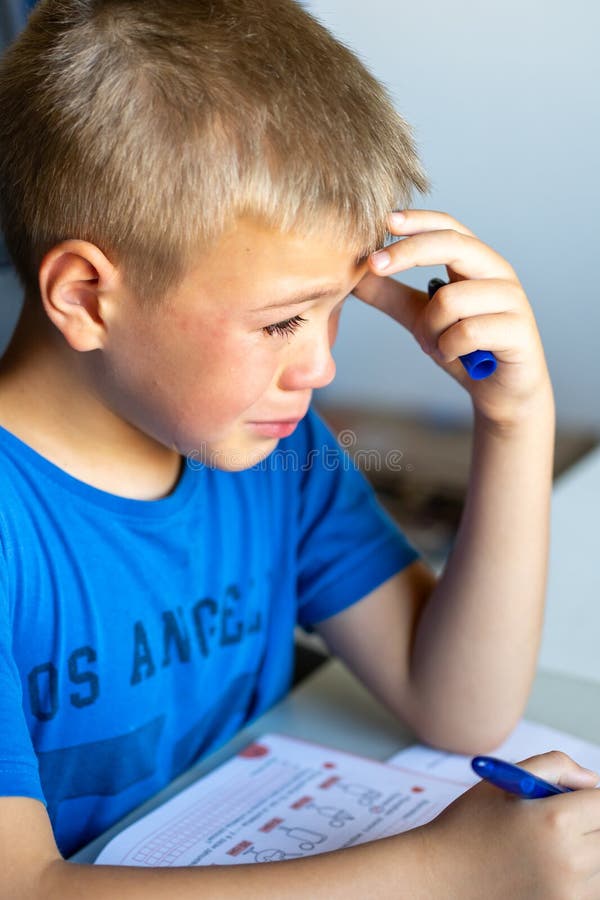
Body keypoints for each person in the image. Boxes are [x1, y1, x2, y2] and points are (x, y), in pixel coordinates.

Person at [0, 1, 598, 897]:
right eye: (282, 320)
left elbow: (461, 707)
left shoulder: (273, 453)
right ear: (85, 296)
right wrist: (448, 868)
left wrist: (515, 419)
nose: (318, 367)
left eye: (333, 308)